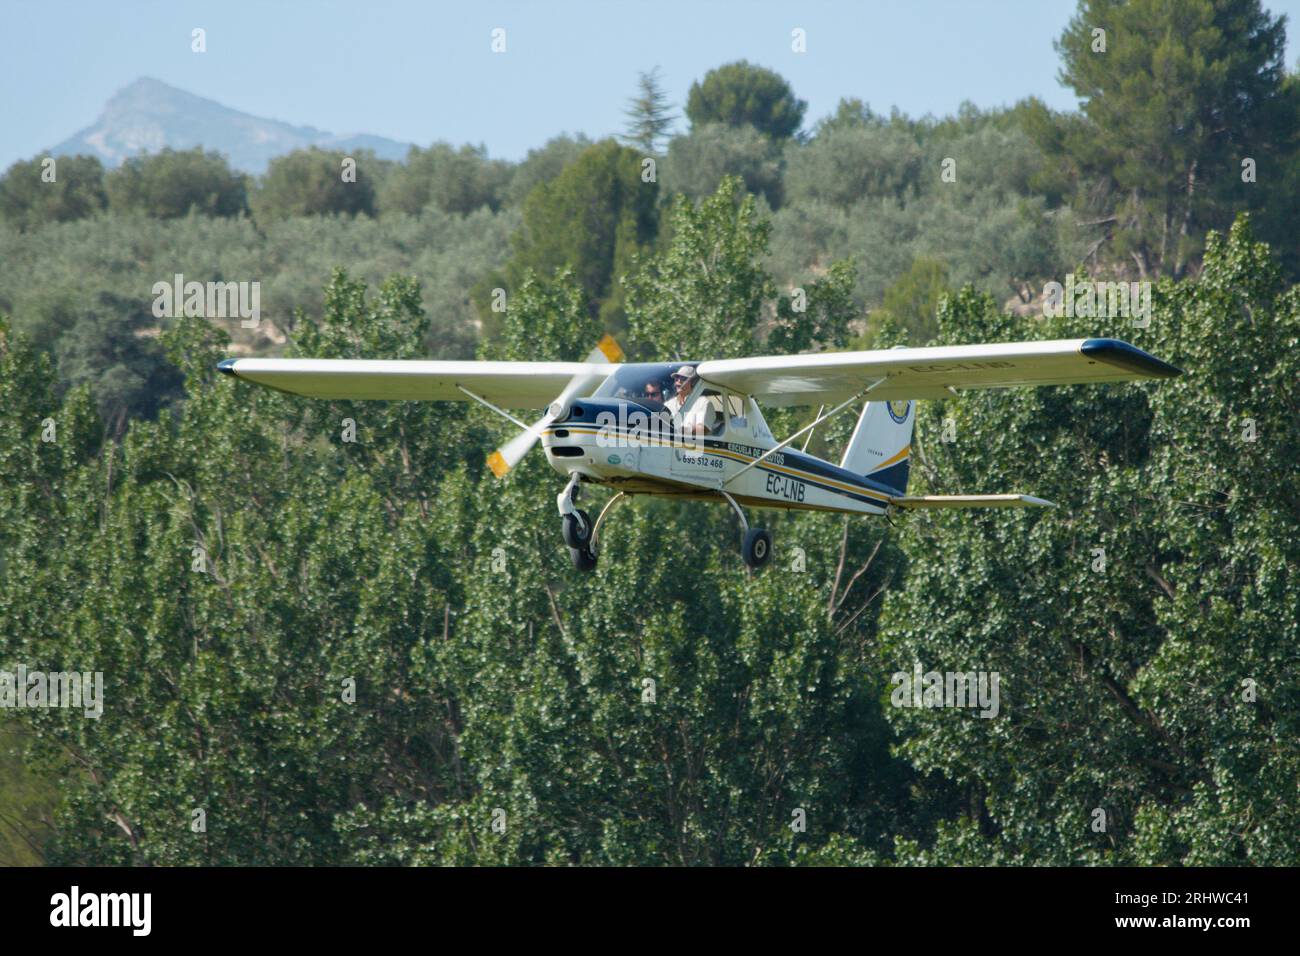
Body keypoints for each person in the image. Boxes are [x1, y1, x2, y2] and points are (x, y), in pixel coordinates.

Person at [664, 366, 718, 436]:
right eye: (677, 378)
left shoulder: (704, 403)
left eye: (683, 378)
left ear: (693, 382)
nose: (678, 381)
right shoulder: (668, 404)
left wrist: (677, 430)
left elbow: (702, 429)